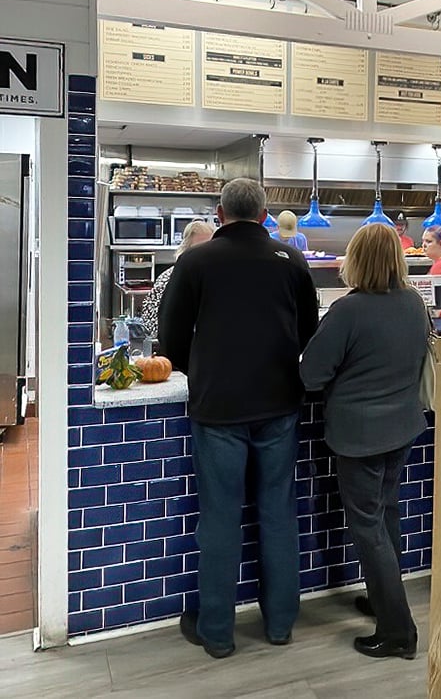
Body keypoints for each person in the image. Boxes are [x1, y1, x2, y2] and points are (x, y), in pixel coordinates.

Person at [158, 178, 318, 658]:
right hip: (279, 405)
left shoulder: (195, 261)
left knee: (221, 518)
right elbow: (308, 331)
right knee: (277, 513)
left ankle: (217, 633)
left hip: (218, 408)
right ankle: (280, 625)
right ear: (264, 214)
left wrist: (205, 368)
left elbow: (170, 339)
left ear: (220, 213)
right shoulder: (290, 260)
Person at [300, 224, 429, 660]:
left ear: (356, 260)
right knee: (386, 515)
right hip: (402, 429)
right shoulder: (414, 303)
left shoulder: (349, 310)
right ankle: (381, 600)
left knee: (368, 528)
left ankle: (398, 631)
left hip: (359, 436)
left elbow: (311, 375)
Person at [140, 219, 214, 339]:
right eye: (199, 249)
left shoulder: (215, 278)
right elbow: (151, 320)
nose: (205, 253)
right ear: (186, 249)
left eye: (209, 247)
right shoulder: (169, 277)